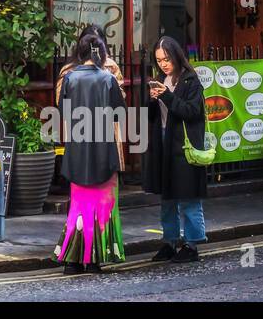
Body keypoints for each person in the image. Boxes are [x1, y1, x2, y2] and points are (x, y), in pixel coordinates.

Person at [53, 30, 127, 273]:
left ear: (80, 52)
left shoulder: (70, 78)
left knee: (78, 208)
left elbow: (63, 111)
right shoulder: (108, 79)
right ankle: (93, 259)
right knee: (101, 209)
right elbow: (119, 112)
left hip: (77, 150)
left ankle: (72, 261)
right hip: (103, 150)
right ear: (102, 53)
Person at [144, 35, 208, 263]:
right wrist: (151, 100)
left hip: (184, 145)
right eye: (159, 59)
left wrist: (167, 96)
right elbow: (151, 116)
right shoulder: (161, 79)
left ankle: (192, 244)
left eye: (166, 59)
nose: (163, 64)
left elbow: (191, 112)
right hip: (163, 142)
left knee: (188, 196)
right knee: (167, 197)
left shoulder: (191, 81)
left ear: (177, 56)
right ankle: (169, 242)